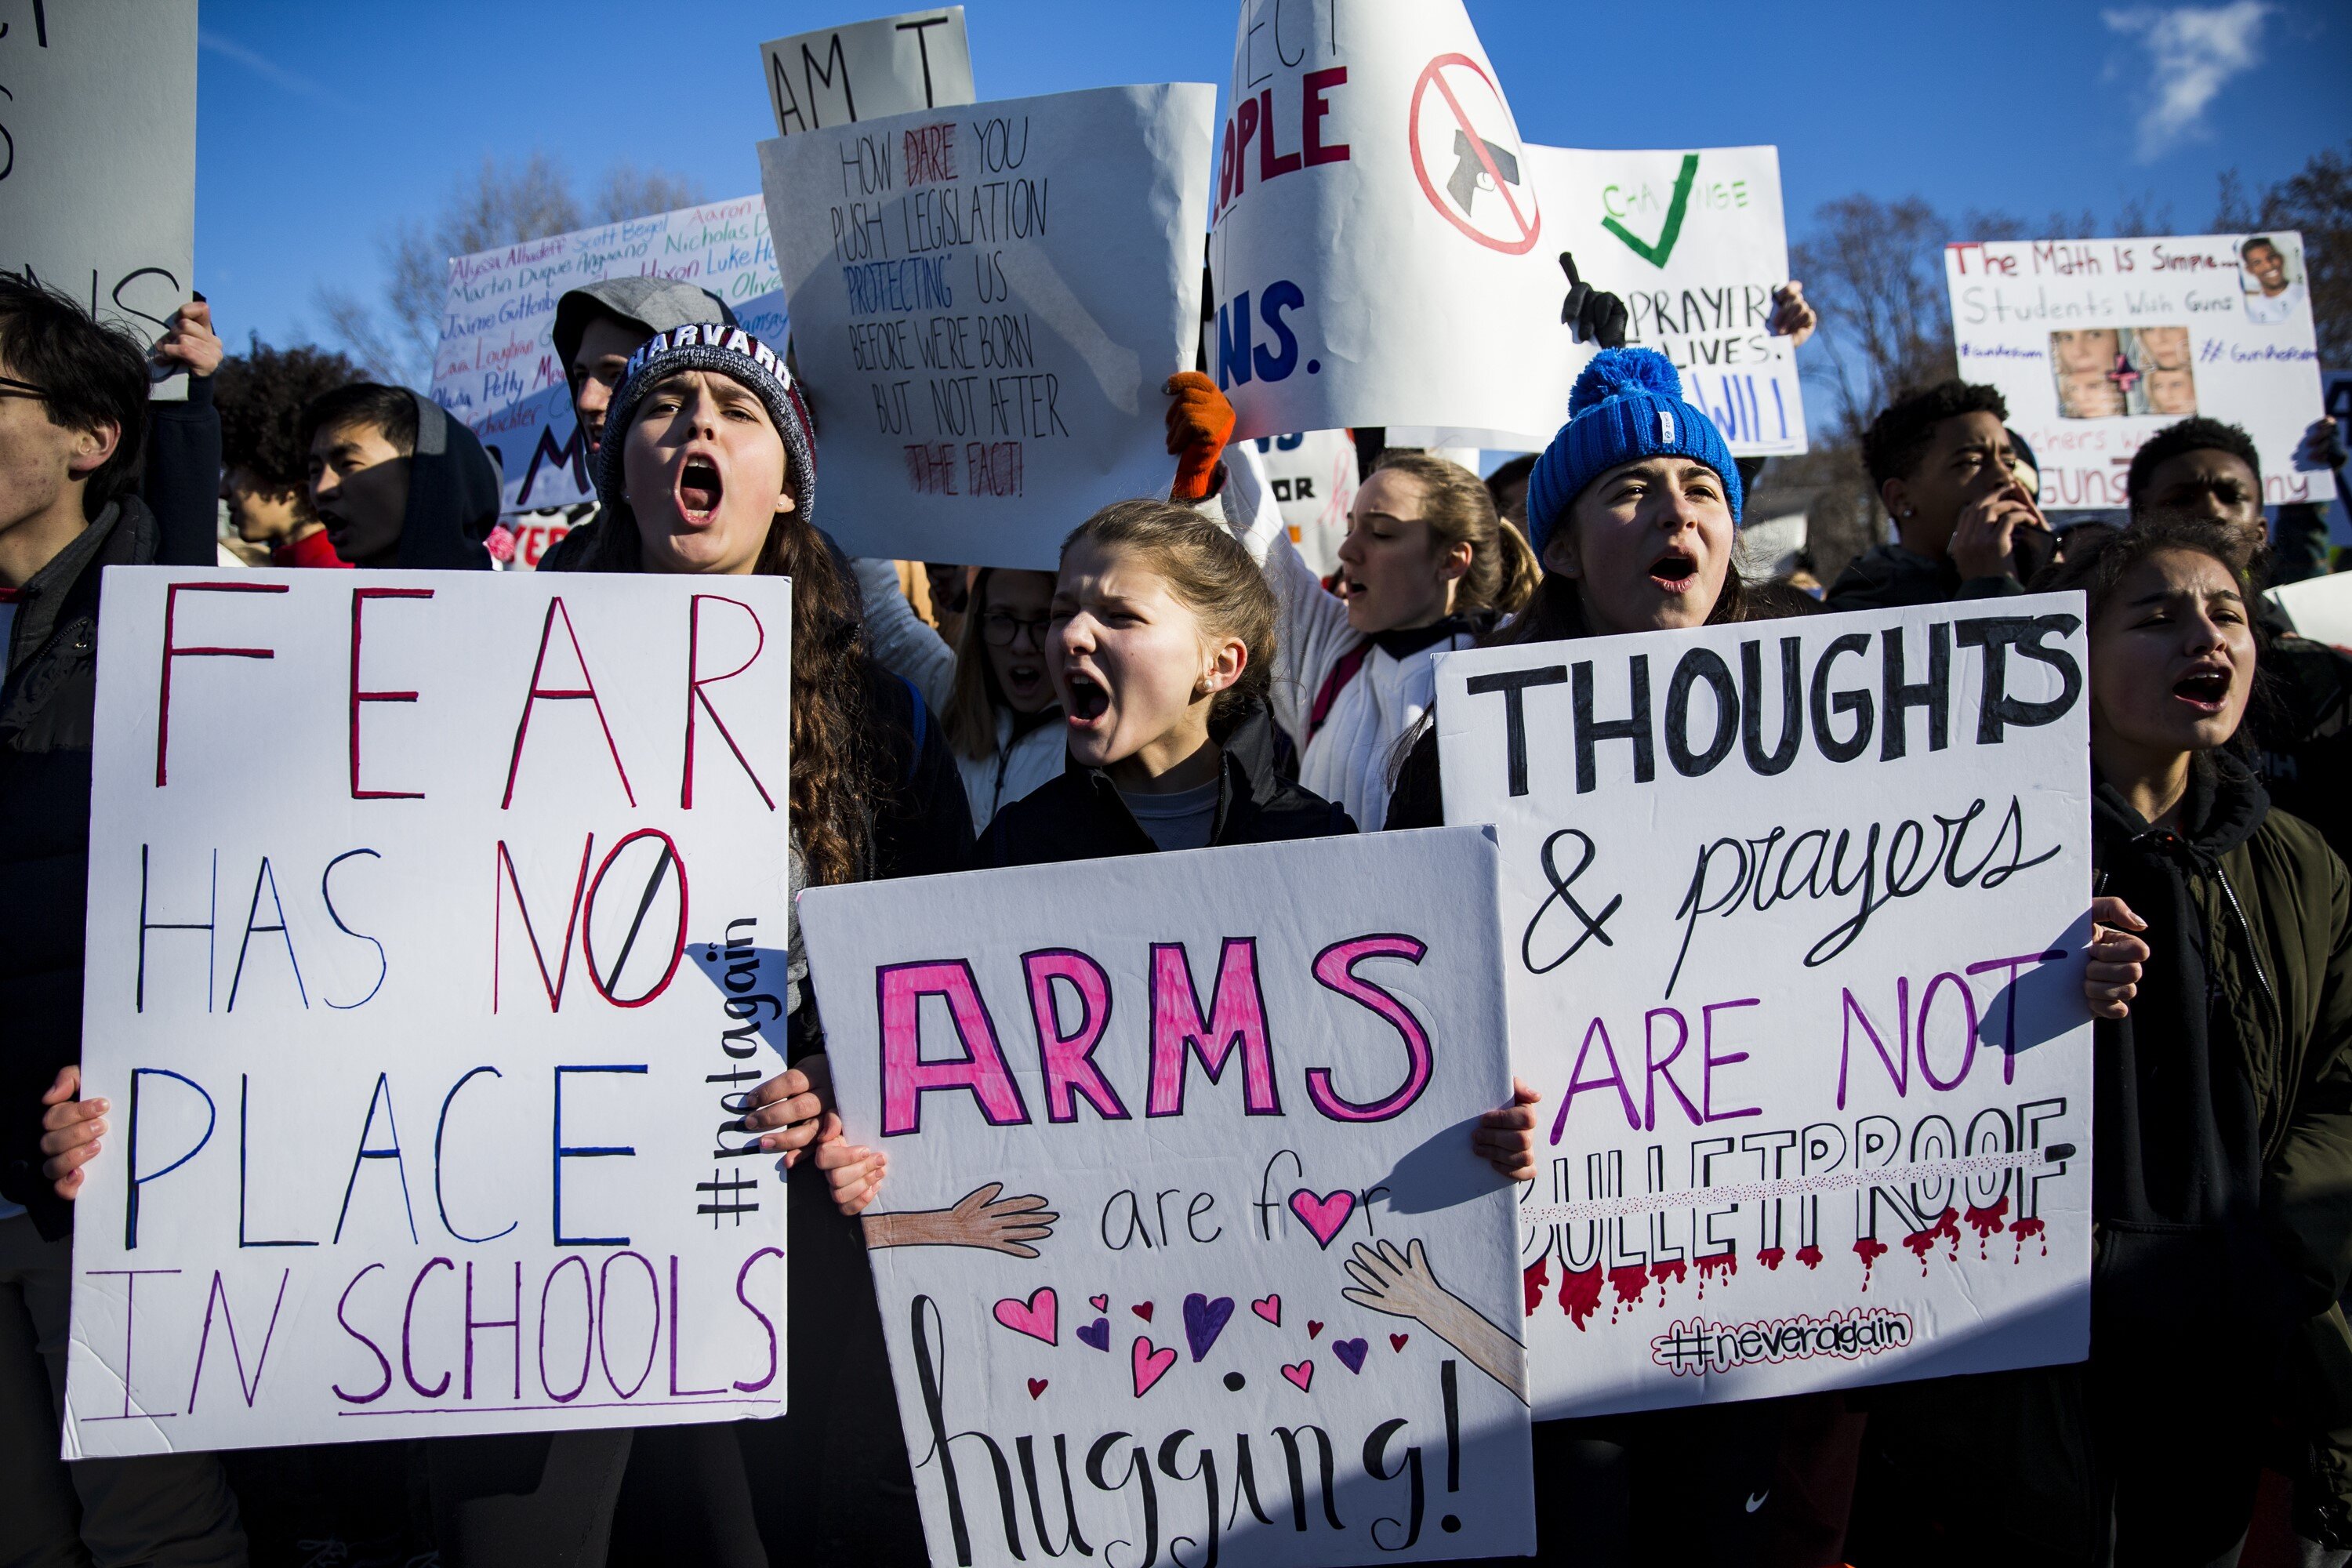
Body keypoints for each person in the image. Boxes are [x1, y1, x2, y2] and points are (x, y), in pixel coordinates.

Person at [491, 321, 971, 1567]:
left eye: (735, 410)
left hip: (797, 1201)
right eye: (664, 407)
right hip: (571, 1190)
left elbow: (941, 964)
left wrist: (843, 1072)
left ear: (789, 482)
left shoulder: (880, 712)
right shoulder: (496, 681)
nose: (696, 426)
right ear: (620, 471)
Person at [1849, 514, 2352, 1566]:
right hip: (2021, 1364)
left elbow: (2345, 1082)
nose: (2204, 640)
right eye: (2157, 618)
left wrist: (2269, 1260)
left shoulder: (2303, 867)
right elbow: (1872, 1057)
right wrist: (2026, 996)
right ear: (2067, 653)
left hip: (2227, 1345)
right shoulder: (1953, 844)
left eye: (2225, 616)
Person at [814, 497, 1356, 1223]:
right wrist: (870, 1144)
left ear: (1219, 663)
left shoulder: (1321, 847)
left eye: (1120, 616)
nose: (1070, 635)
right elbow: (943, 1102)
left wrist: (1479, 1121)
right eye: (1061, 611)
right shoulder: (1014, 851)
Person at [1, 270, 249, 1568]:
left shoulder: (156, 618)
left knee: (151, 1530)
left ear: (92, 442)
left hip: (98, 1178)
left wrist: (192, 398)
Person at [1174, 370, 1538, 829]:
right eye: (1350, 529)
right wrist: (1222, 459)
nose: (1348, 550)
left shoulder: (1518, 648)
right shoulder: (1331, 651)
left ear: (1451, 560)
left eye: (1381, 533)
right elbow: (1263, 549)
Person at [2127, 416, 2352, 864]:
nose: (2210, 510)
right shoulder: (2106, 661)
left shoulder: (2324, 676)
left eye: (2230, 496)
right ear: (2139, 520)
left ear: (2262, 531)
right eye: (2181, 497)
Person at [535, 278, 738, 571]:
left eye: (616, 375)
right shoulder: (565, 564)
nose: (586, 401)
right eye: (581, 376)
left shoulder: (801, 568)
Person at [853, 554, 1065, 831]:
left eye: (1043, 621)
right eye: (1002, 618)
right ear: (979, 626)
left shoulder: (1093, 747)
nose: (1022, 645)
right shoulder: (951, 698)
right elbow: (882, 613)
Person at [1824, 379, 2051, 612]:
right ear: (1900, 498)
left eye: (2009, 463)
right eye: (1972, 462)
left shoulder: (2035, 574)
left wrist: (2056, 578)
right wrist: (1989, 589)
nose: (2005, 477)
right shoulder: (1860, 612)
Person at [301, 382, 497, 570]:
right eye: (315, 471)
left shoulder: (509, 604)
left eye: (348, 464)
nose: (321, 489)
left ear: (426, 475)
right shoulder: (315, 602)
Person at [215, 338, 362, 567]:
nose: (222, 490)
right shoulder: (306, 564)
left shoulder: (332, 572)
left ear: (283, 471)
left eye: (235, 469)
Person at [2241, 235, 2307, 326]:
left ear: (2281, 258)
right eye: (2257, 263)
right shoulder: (2253, 313)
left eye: (2271, 257)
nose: (2268, 265)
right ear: (2249, 269)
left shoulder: (2305, 294)